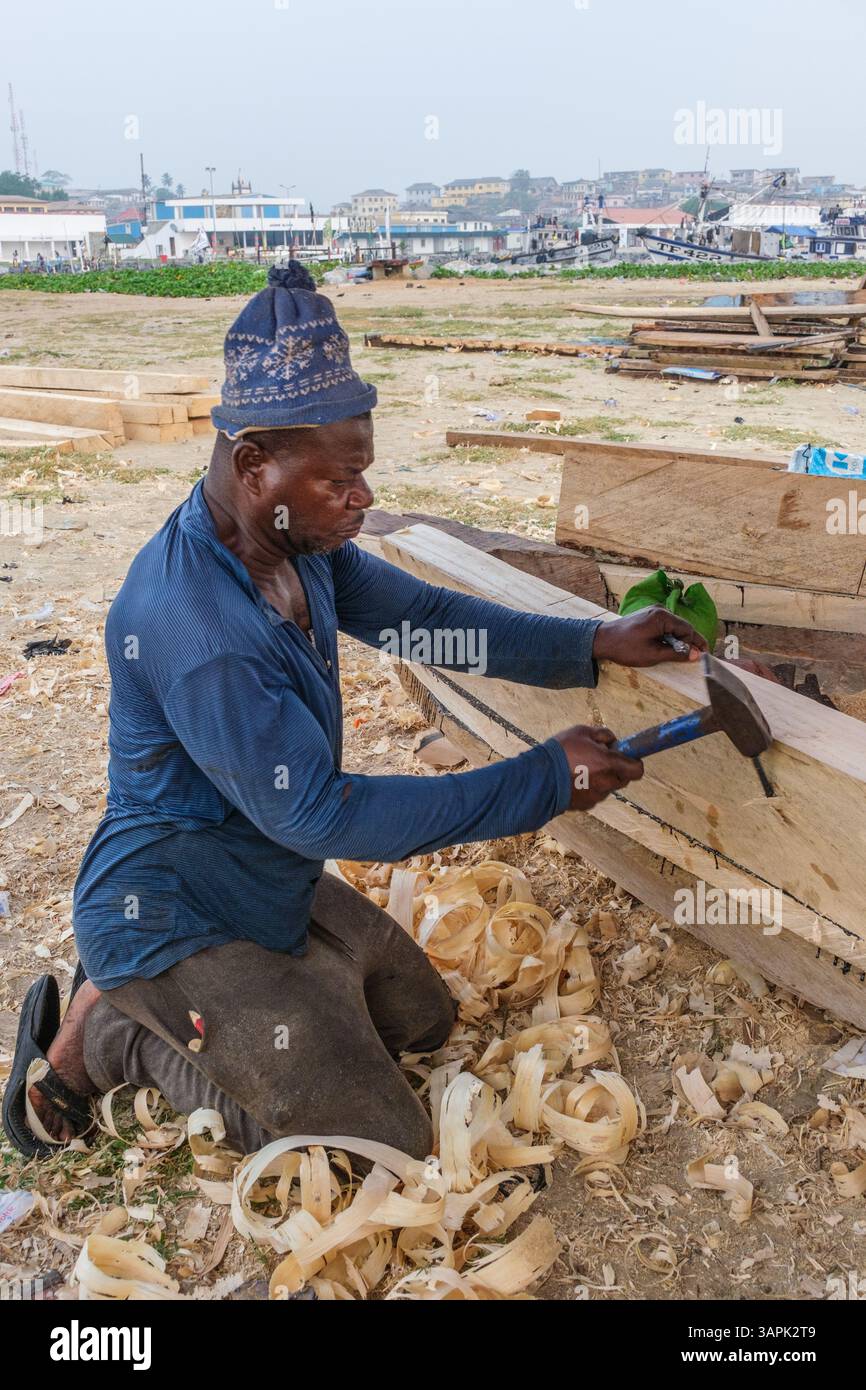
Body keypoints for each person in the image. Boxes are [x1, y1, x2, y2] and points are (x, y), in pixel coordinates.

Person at [3, 263, 708, 1163]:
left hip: (265, 875)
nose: (363, 499)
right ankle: (118, 1029)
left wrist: (590, 644)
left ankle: (255, 1005)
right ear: (255, 465)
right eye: (342, 479)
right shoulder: (196, 624)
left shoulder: (298, 543)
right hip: (175, 910)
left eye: (363, 472)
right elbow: (322, 810)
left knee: (422, 1022)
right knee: (377, 1142)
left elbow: (433, 623)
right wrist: (541, 781)